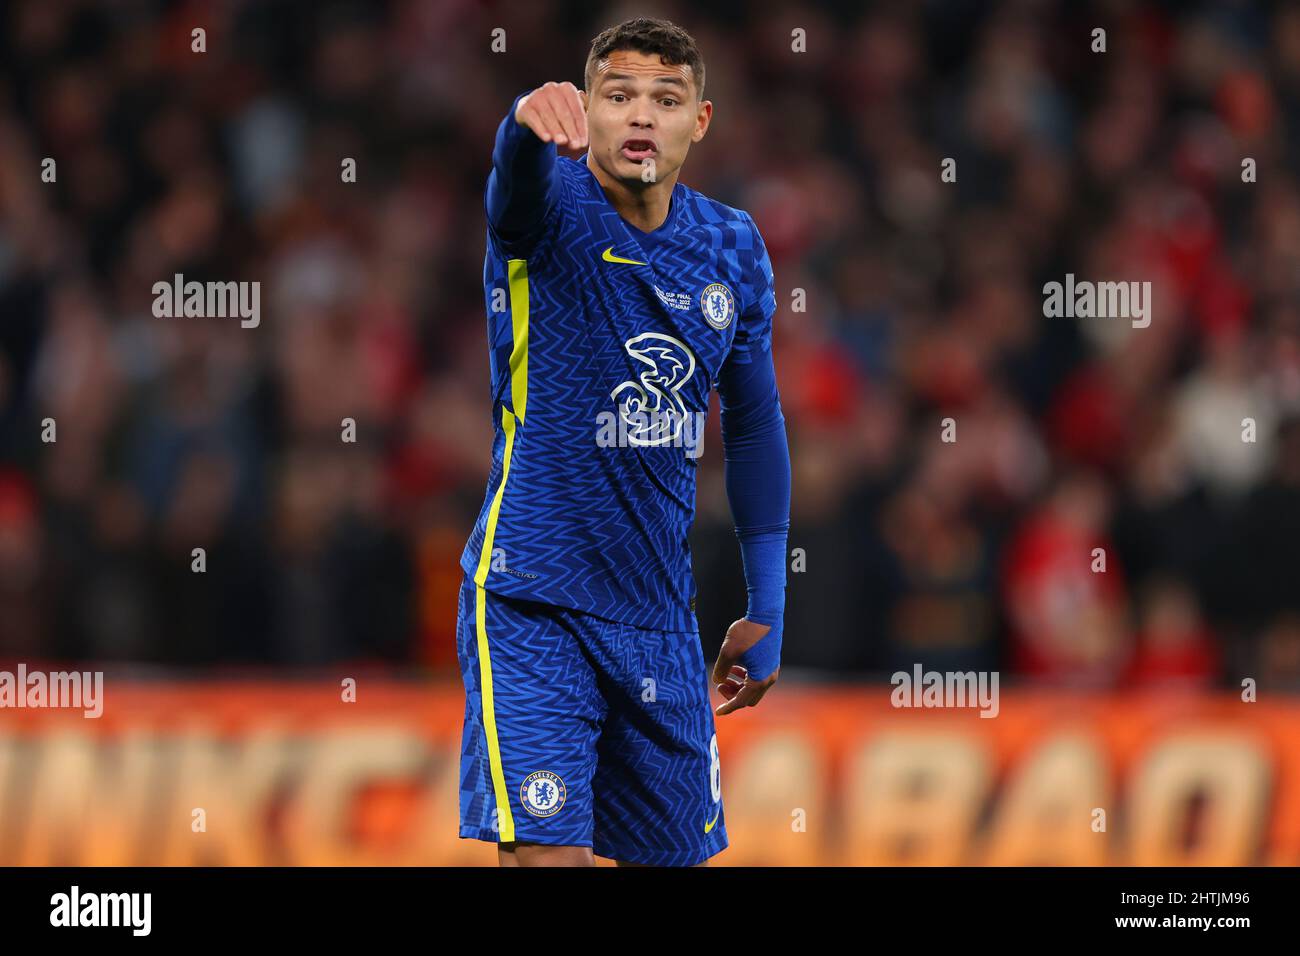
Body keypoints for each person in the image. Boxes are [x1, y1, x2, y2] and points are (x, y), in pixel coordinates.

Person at [456, 17, 790, 867]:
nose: (642, 115)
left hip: (658, 619)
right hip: (533, 599)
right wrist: (522, 126)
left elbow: (752, 426)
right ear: (590, 113)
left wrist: (768, 603)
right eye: (619, 94)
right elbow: (510, 193)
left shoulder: (731, 247)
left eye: (666, 98)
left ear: (700, 122)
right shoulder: (549, 205)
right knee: (548, 859)